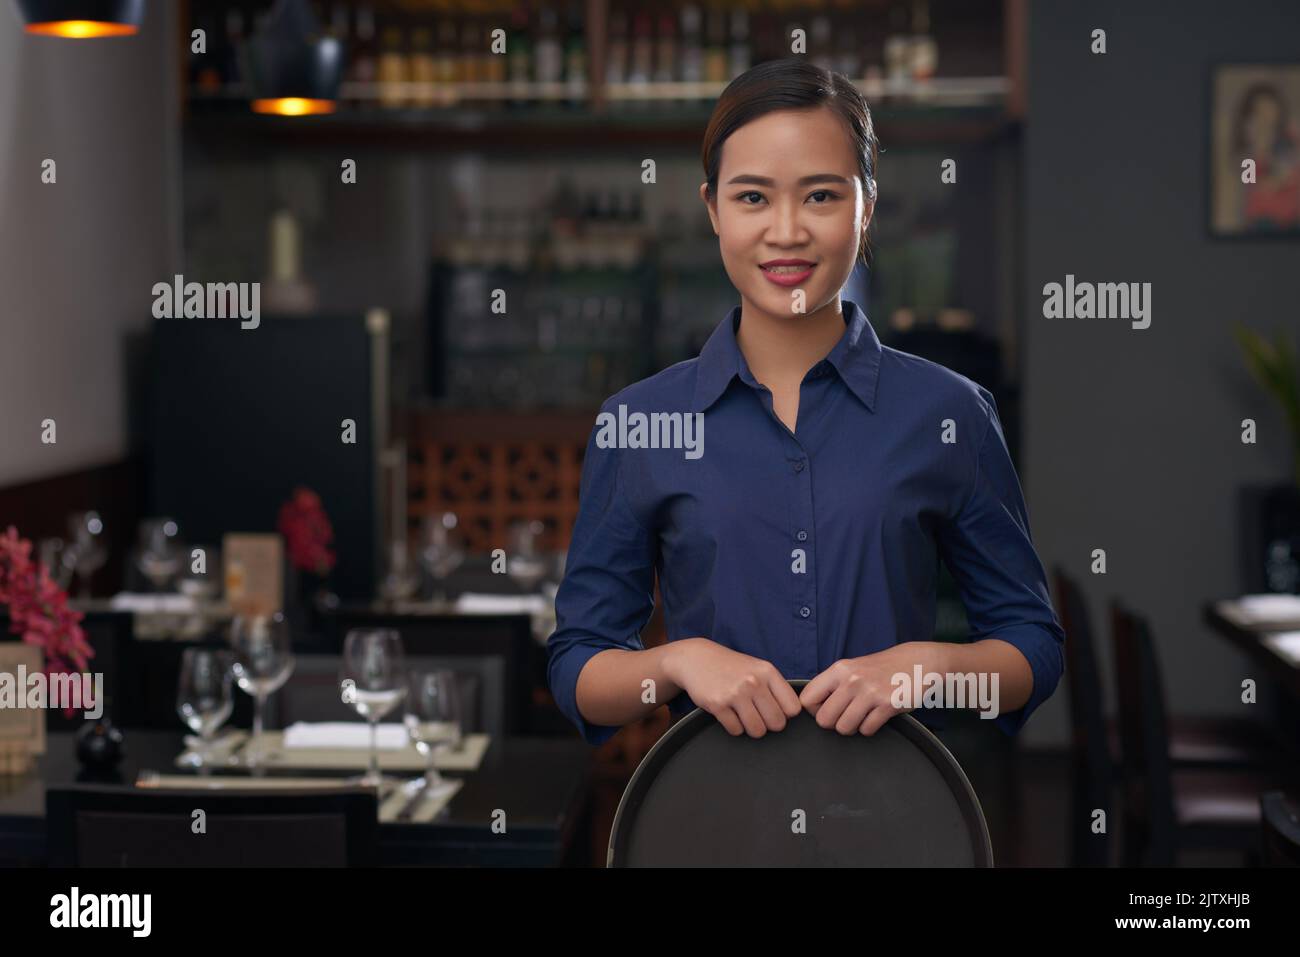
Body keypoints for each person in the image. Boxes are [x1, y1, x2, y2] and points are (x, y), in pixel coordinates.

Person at [546, 58, 1064, 746]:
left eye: (821, 196)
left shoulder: (952, 413)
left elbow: (1032, 648)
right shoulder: (638, 424)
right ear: (712, 209)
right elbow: (578, 666)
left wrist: (927, 667)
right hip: (709, 819)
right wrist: (675, 662)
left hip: (896, 818)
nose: (786, 231)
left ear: (865, 206)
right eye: (752, 198)